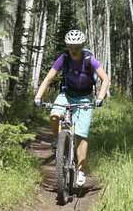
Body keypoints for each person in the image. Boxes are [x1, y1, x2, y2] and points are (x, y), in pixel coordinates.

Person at [34, 29, 110, 188]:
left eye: (76, 46)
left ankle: (81, 170)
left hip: (84, 98)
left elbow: (105, 79)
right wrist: (38, 97)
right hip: (66, 94)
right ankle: (58, 142)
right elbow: (49, 78)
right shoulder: (64, 58)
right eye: (71, 46)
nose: (73, 49)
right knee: (54, 116)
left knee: (81, 135)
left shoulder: (89, 59)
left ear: (81, 45)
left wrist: (100, 98)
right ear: (67, 46)